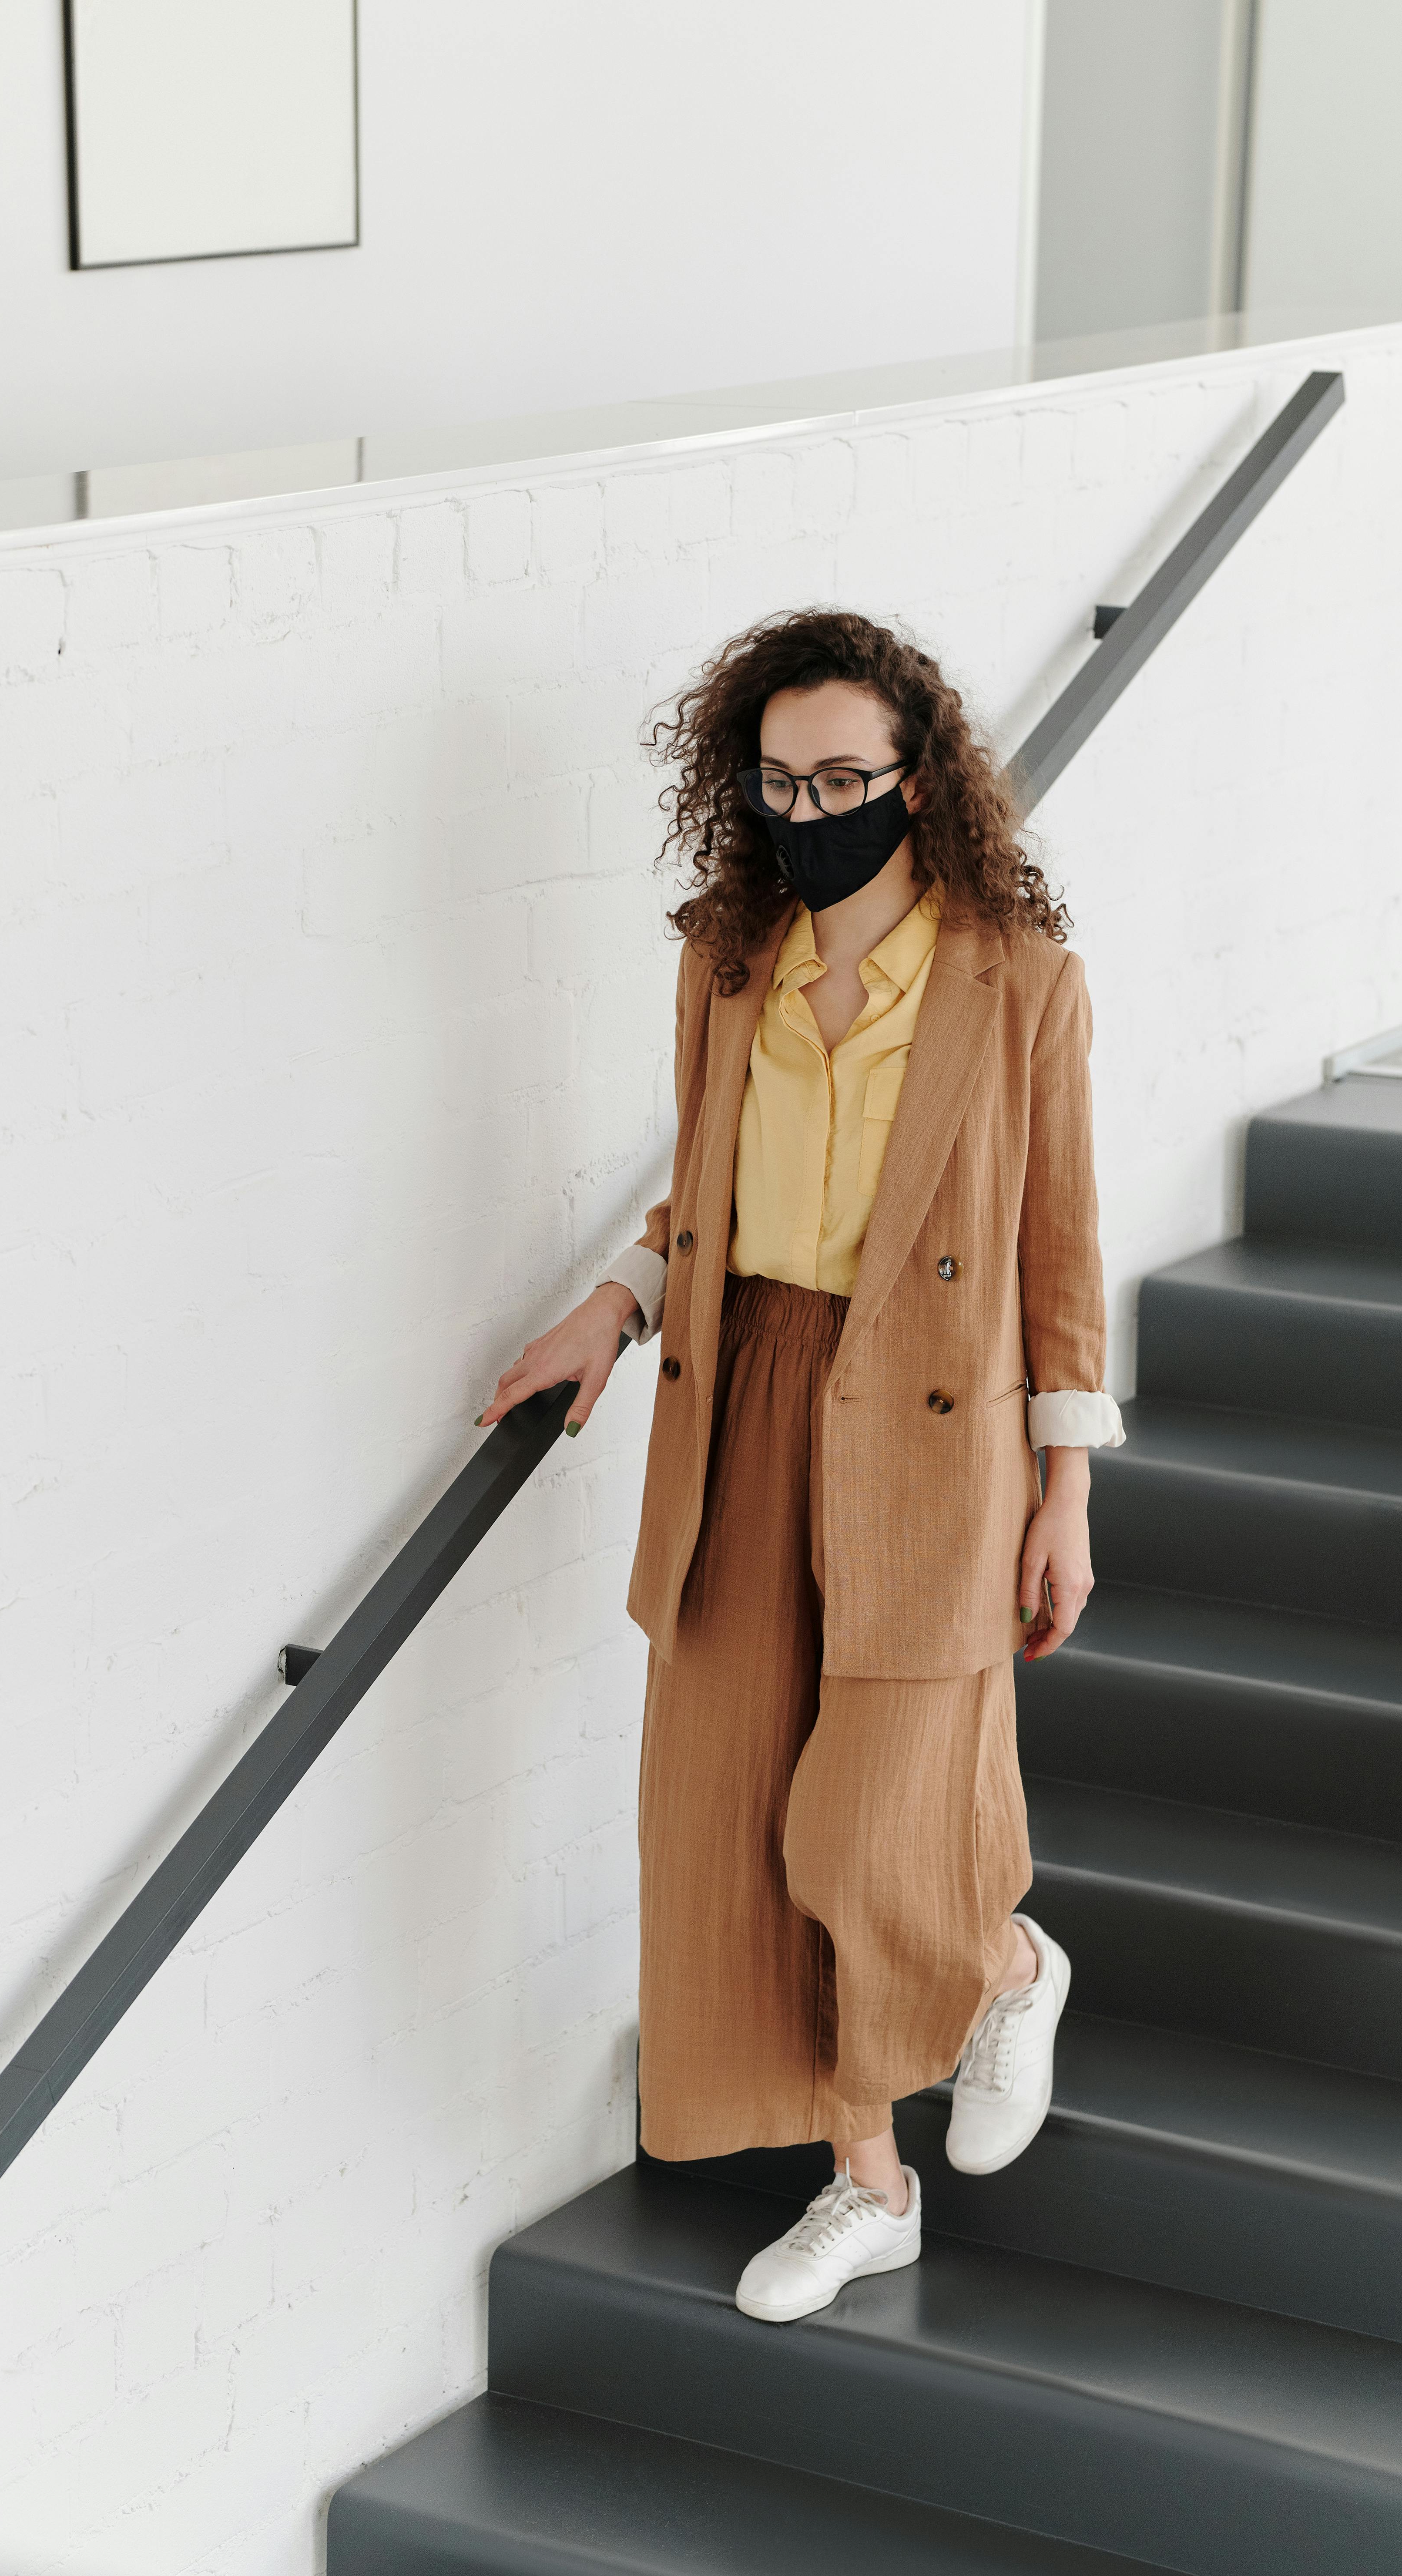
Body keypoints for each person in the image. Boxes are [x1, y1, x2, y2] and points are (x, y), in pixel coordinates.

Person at [477, 609, 1124, 2323]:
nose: (808, 805)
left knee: (863, 1823)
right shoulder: (732, 958)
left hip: (929, 1425)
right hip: (744, 1391)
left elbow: (1058, 1250)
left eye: (843, 776)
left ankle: (1004, 1960)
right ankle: (868, 2187)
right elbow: (707, 1190)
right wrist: (608, 1309)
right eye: (777, 780)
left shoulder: (1016, 982)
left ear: (922, 780)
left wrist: (1064, 1488)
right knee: (739, 1819)